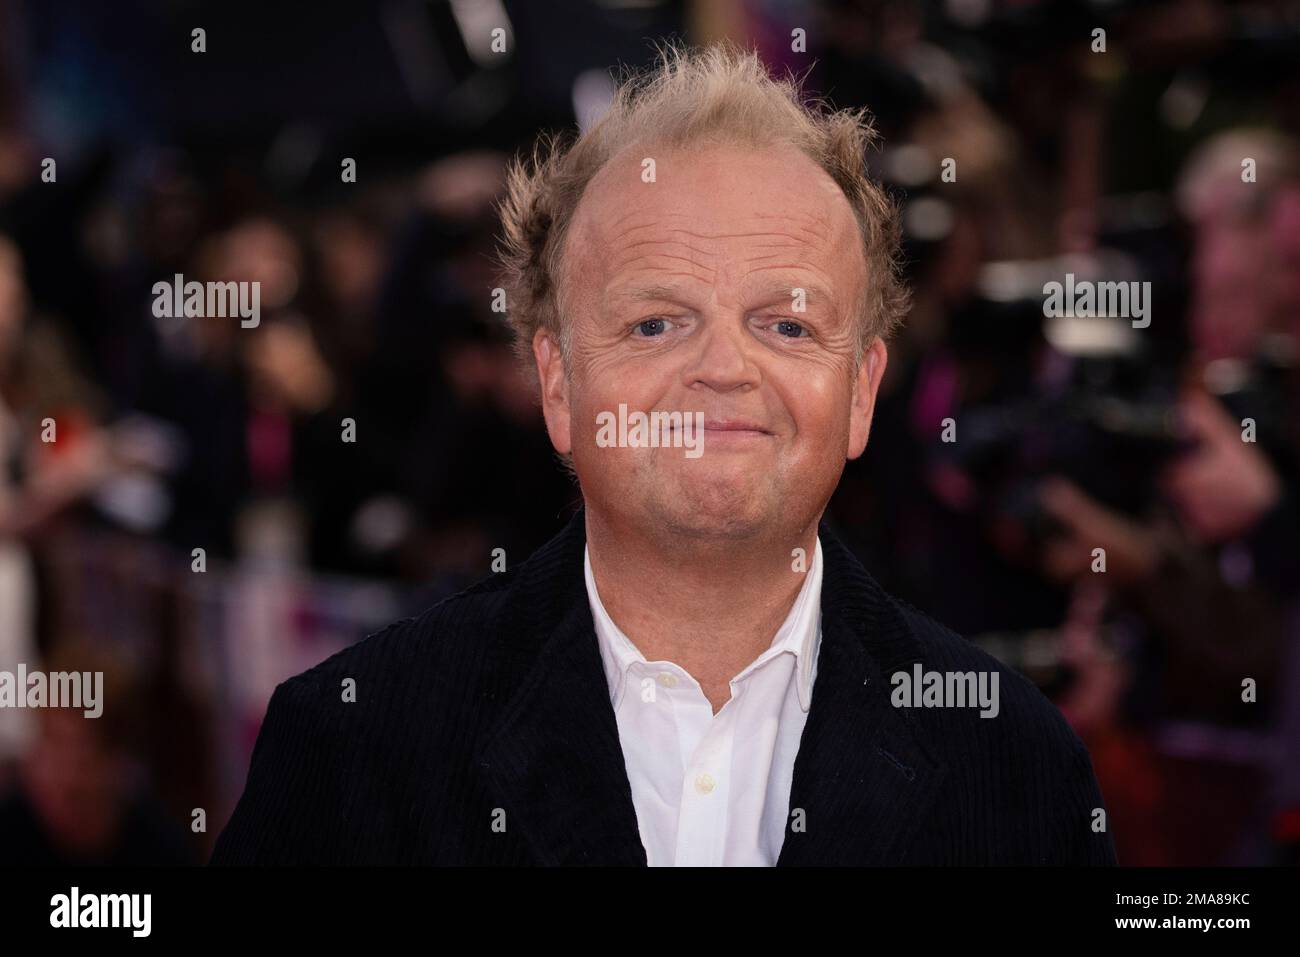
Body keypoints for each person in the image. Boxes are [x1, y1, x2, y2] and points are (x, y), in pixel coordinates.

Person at [210, 41, 1115, 866]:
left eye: (787, 323)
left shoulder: (1015, 769)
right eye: (655, 322)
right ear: (558, 384)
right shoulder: (353, 748)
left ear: (862, 392)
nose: (724, 368)